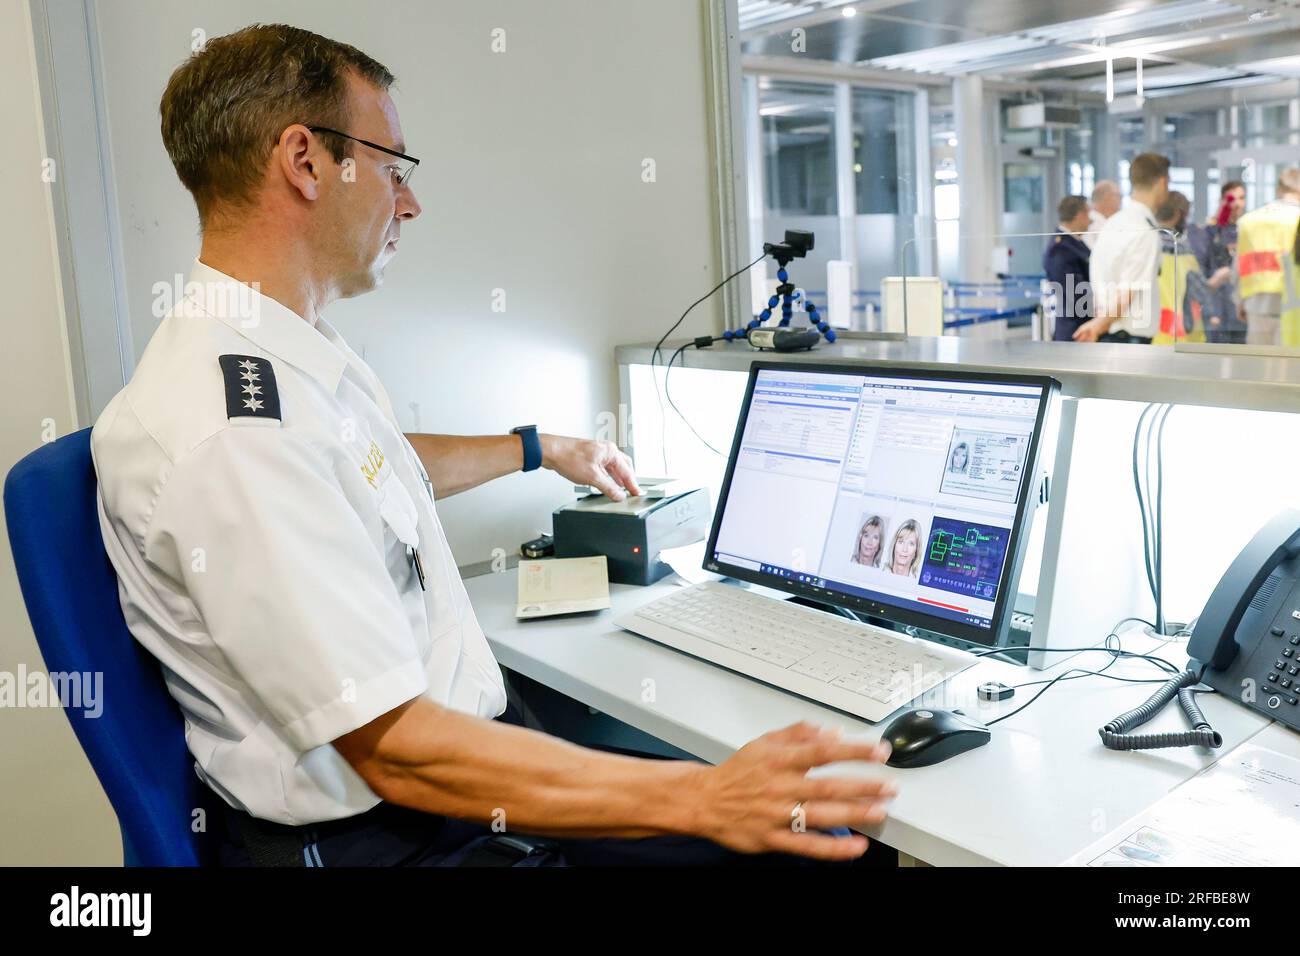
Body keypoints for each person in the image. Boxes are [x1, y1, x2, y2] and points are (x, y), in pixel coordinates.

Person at [91, 24, 895, 867]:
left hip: (456, 776)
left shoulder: (276, 356)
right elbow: (395, 748)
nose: (409, 202)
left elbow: (368, 474)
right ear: (305, 160)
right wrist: (707, 797)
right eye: (394, 167)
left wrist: (540, 449)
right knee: (830, 846)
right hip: (402, 836)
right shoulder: (231, 432)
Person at [1073, 153, 1171, 344]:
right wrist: (1099, 325)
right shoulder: (1144, 231)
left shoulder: (1114, 223)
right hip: (1129, 338)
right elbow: (1129, 291)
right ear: (1162, 183)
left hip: (1109, 332)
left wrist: (1099, 323)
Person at [1235, 166, 1300, 347]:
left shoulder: (1249, 220)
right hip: (1293, 305)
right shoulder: (1297, 218)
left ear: (1279, 189)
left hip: (1256, 303)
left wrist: (1239, 300)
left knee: (1258, 367)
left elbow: (1239, 265)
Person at [1186, 180, 1245, 344]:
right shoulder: (1209, 234)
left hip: (1241, 313)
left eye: (1241, 198)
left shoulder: (1247, 232)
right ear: (1222, 201)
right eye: (1232, 199)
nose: (1237, 204)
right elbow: (1200, 274)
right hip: (1216, 312)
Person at [1151, 192, 1211, 345]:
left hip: (1150, 333)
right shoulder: (1181, 248)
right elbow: (1200, 291)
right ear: (1179, 214)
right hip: (1180, 335)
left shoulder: (1146, 242)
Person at [1041, 195, 1092, 341]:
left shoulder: (1074, 243)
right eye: (1088, 213)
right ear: (1080, 215)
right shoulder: (1060, 249)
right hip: (1074, 330)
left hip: (1083, 326)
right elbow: (1074, 294)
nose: (1090, 220)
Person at [1085, 180, 1122, 248]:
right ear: (1107, 198)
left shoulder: (1109, 221)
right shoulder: (1088, 223)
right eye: (1119, 196)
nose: (1120, 202)